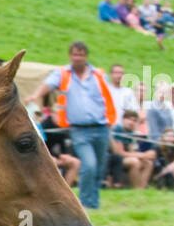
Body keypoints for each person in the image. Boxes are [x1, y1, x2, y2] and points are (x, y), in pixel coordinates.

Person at [23, 41, 117, 210]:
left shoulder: (99, 75)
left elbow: (108, 97)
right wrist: (35, 95)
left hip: (101, 127)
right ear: (70, 56)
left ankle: (94, 202)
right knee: (89, 165)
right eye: (75, 54)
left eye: (81, 55)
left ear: (86, 57)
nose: (78, 58)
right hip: (79, 130)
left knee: (99, 167)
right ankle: (86, 204)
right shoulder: (63, 74)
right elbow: (48, 84)